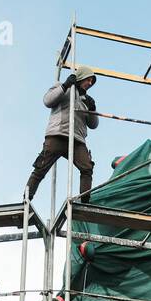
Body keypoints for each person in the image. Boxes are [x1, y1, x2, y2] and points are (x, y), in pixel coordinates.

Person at [25, 67, 100, 202]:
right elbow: (47, 101)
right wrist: (65, 86)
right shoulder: (63, 87)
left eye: (91, 81)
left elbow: (93, 125)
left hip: (77, 140)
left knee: (87, 167)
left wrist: (92, 109)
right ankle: (27, 198)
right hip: (58, 135)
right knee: (41, 167)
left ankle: (85, 201)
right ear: (81, 77)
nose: (90, 83)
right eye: (88, 79)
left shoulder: (86, 100)